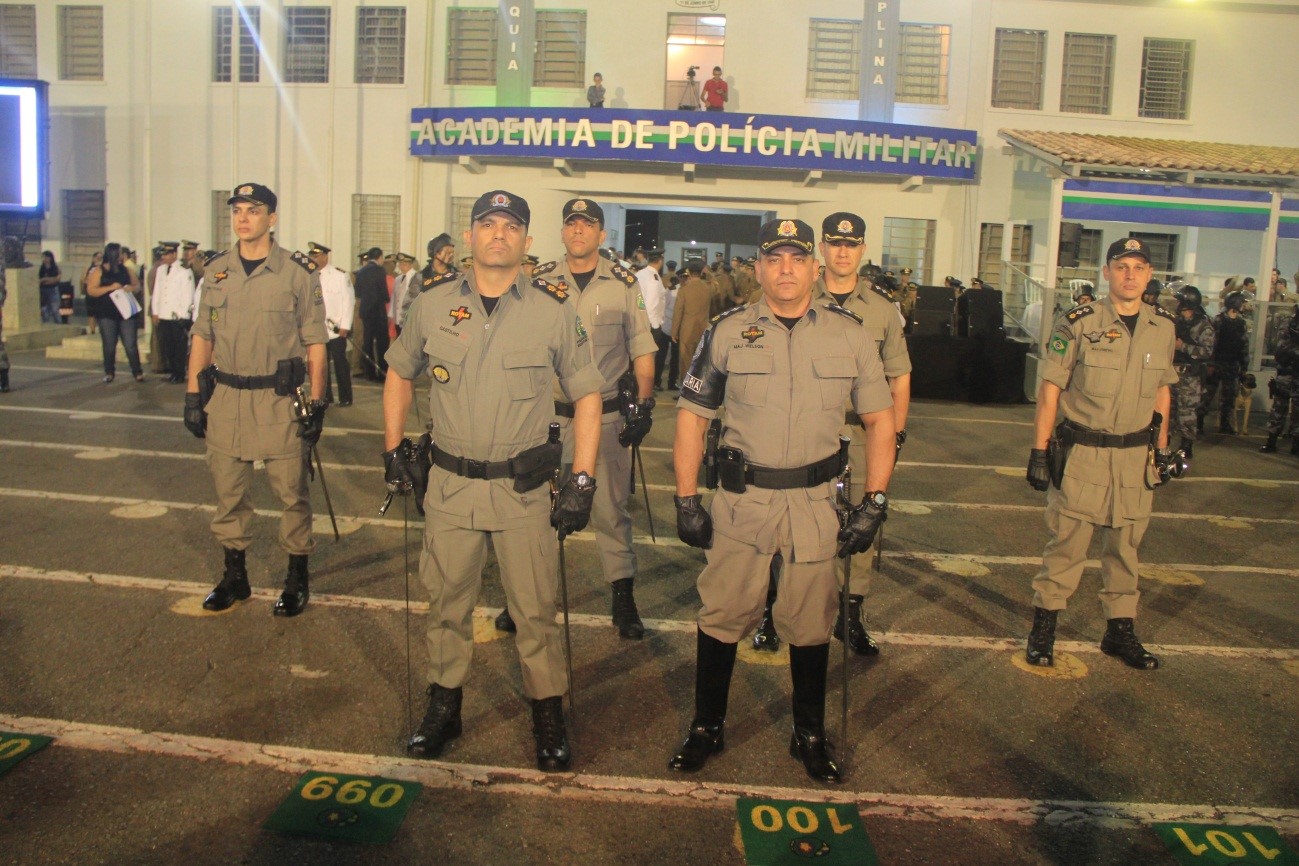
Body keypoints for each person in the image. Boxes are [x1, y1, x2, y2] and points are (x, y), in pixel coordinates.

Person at [381, 189, 603, 771]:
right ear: (470, 237)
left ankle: (547, 714)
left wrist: (581, 477)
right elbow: (399, 373)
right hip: (450, 486)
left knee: (534, 610)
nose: (498, 234)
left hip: (522, 490)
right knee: (446, 603)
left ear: (528, 242)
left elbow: (587, 394)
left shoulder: (553, 310)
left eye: (510, 225)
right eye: (487, 224)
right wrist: (393, 446)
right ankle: (443, 706)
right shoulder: (431, 305)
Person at [667, 217, 895, 784]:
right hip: (743, 501)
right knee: (721, 614)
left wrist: (875, 500)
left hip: (817, 502)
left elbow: (880, 420)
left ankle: (809, 734)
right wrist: (686, 496)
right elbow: (693, 417)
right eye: (774, 259)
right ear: (760, 268)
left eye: (796, 258)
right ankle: (706, 727)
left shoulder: (850, 333)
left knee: (812, 622)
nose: (786, 269)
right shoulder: (725, 331)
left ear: (815, 267)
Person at [494, 198, 658, 638]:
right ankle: (522, 598)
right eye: (572, 224)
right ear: (563, 232)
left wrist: (643, 405)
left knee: (610, 511)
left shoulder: (622, 283)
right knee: (534, 510)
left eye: (588, 224)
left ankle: (622, 596)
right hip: (546, 418)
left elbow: (642, 347)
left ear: (602, 234)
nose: (579, 231)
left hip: (603, 418)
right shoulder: (540, 280)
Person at [752, 212, 912, 656]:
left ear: (862, 250)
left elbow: (899, 376)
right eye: (835, 244)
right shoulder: (793, 292)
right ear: (821, 249)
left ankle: (850, 611)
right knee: (785, 522)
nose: (843, 252)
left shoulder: (882, 310)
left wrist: (894, 433)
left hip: (861, 435)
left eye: (852, 244)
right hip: (804, 433)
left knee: (861, 523)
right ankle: (772, 609)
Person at [1024, 238, 1178, 672]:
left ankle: (1119, 631)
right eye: (1122, 266)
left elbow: (1162, 391)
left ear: (1149, 276)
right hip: (1084, 455)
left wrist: (1160, 450)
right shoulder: (1078, 321)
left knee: (1126, 549)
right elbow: (1050, 388)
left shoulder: (1162, 326)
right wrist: (1039, 451)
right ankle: (1044, 629)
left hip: (1134, 458)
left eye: (1139, 267)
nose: (1131, 274)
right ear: (1106, 272)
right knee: (1067, 546)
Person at [183, 182, 328, 618]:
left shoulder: (297, 273)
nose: (243, 217)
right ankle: (235, 576)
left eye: (253, 210)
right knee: (228, 494)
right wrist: (193, 394)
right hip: (225, 396)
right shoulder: (217, 271)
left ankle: (296, 577)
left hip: (278, 400)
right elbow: (203, 335)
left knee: (292, 495)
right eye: (238, 210)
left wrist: (317, 403)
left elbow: (315, 341)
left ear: (272, 218)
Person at [85, 242, 145, 384]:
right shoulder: (99, 271)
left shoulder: (126, 270)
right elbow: (91, 290)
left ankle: (137, 371)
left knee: (130, 344)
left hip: (126, 313)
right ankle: (109, 371)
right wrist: (110, 288)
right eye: (119, 253)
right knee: (109, 344)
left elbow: (137, 286)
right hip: (107, 313)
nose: (122, 256)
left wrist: (132, 288)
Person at [307, 241, 356, 407]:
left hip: (335, 330)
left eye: (317, 255)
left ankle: (345, 397)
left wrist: (345, 326)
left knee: (340, 364)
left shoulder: (340, 275)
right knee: (321, 365)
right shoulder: (309, 275)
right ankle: (325, 397)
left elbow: (348, 301)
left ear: (325, 256)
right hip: (317, 330)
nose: (314, 258)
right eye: (312, 255)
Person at [1170, 286, 1214, 458]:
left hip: (1190, 376)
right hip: (1173, 372)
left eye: (1181, 301)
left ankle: (1186, 445)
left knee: (1187, 412)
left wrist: (1183, 346)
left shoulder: (1204, 326)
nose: (1178, 304)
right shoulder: (1178, 322)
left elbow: (1207, 352)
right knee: (1171, 410)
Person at [1199, 291, 1251, 434]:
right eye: (1241, 302)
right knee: (1207, 395)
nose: (1244, 305)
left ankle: (1225, 424)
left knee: (1229, 397)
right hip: (1216, 363)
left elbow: (1244, 345)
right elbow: (1211, 343)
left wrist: (1244, 366)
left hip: (1232, 364)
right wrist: (1209, 363)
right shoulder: (1218, 321)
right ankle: (1198, 423)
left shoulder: (1241, 323)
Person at [150, 241, 197, 383]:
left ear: (174, 254)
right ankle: (172, 372)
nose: (163, 257)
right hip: (164, 314)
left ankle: (179, 373)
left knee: (179, 347)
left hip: (177, 315)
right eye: (163, 254)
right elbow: (157, 291)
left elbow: (188, 294)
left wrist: (184, 316)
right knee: (167, 345)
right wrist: (155, 311)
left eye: (167, 254)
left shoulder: (184, 270)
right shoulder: (161, 270)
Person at [1259, 306, 1299, 455]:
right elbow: (1279, 348)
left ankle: (1295, 445)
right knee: (1278, 409)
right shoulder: (1288, 324)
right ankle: (1271, 442)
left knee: (1296, 412)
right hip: (1285, 374)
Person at [354, 246, 389, 380]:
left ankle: (369, 373)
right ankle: (382, 372)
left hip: (365, 312)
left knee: (367, 342)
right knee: (382, 343)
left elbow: (357, 292)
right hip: (378, 311)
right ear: (379, 257)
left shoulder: (361, 271)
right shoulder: (380, 270)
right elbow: (383, 291)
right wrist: (386, 298)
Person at [639, 250, 672, 391]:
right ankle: (645, 390)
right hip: (650, 324)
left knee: (640, 358)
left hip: (639, 321)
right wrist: (655, 326)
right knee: (648, 359)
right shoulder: (653, 278)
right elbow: (651, 304)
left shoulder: (640, 274)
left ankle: (639, 387)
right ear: (660, 261)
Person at [671, 260, 712, 370]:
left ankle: (686, 384)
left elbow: (678, 312)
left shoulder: (684, 290)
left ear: (688, 272)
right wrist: (708, 273)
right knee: (701, 360)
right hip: (704, 328)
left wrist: (674, 331)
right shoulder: (708, 288)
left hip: (687, 329)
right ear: (701, 272)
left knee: (686, 360)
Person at [661, 262, 681, 390]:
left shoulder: (667, 287)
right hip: (675, 325)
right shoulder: (679, 291)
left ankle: (657, 381)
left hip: (666, 324)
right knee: (675, 356)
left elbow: (662, 306)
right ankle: (671, 382)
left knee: (662, 355)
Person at [389, 252, 418, 337]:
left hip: (409, 317)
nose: (401, 267)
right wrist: (391, 314)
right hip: (398, 317)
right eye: (400, 264)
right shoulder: (398, 279)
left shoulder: (416, 277)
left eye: (404, 264)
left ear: (410, 265)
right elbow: (394, 297)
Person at [39, 251, 61, 323]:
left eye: (47, 257)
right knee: (44, 311)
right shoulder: (42, 269)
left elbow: (56, 279)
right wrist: (45, 280)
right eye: (44, 257)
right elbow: (40, 280)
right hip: (43, 291)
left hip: (53, 290)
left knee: (55, 310)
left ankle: (58, 324)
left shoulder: (55, 268)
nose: (45, 259)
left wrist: (46, 279)